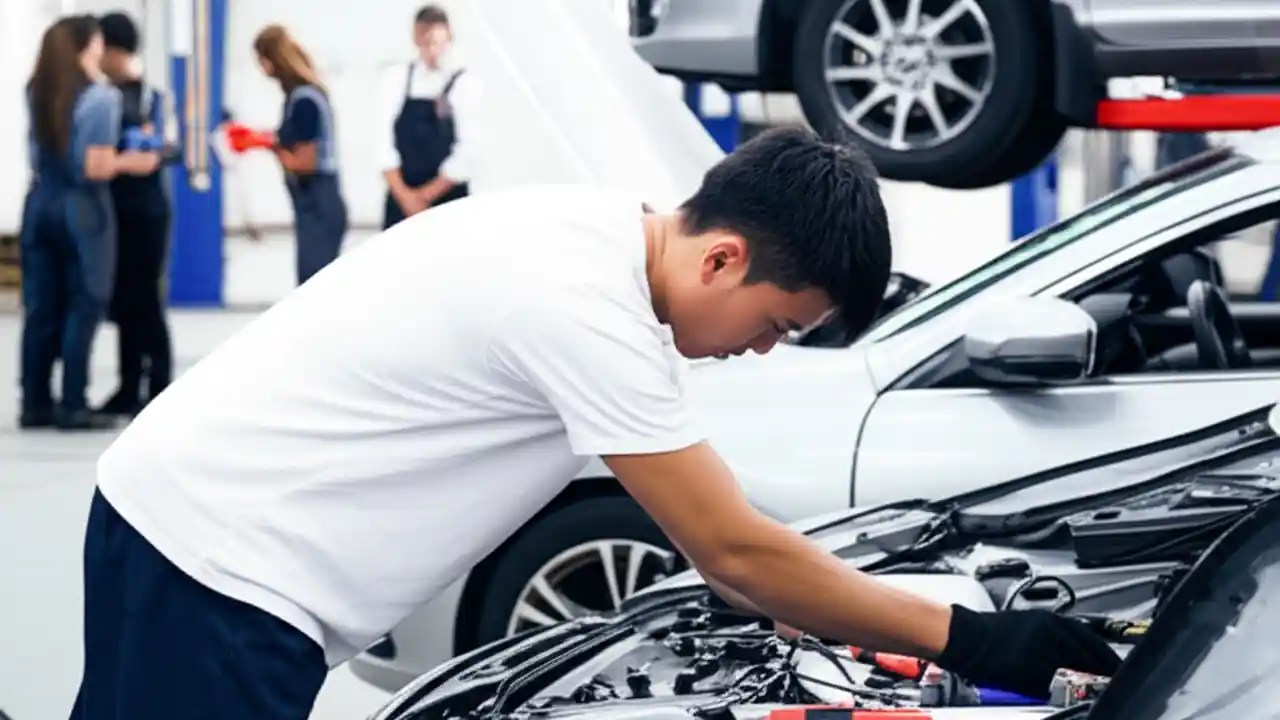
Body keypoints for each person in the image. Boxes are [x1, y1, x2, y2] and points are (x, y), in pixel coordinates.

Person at [73, 127, 1119, 719]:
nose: (761, 350)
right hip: (226, 573)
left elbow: (733, 545)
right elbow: (730, 550)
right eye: (774, 325)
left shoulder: (592, 234)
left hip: (179, 518)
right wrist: (978, 638)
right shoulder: (585, 309)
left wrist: (820, 605)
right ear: (722, 260)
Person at [19, 14, 159, 431]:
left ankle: (36, 401)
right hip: (82, 209)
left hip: (40, 202)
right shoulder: (101, 97)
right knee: (86, 303)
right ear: (88, 46)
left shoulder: (37, 90)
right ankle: (74, 403)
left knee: (42, 306)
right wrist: (138, 160)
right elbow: (95, 165)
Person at [95, 11, 174, 417]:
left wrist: (121, 160)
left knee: (145, 298)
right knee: (126, 300)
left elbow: (154, 154)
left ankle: (159, 385)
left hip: (146, 212)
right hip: (119, 210)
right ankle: (128, 386)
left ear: (110, 49)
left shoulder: (144, 95)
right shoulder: (108, 92)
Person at [253, 24, 348, 285]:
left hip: (319, 204)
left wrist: (267, 145)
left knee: (313, 288)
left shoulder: (304, 101)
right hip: (315, 205)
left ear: (271, 60)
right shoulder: (302, 96)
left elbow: (304, 162)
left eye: (261, 60)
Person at [378, 4, 478, 230]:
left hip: (448, 201)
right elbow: (382, 145)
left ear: (449, 37)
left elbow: (468, 151)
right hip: (401, 198)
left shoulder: (464, 84)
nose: (431, 51)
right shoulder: (396, 80)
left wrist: (425, 196)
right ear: (415, 39)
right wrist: (406, 197)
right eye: (425, 43)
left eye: (437, 43)